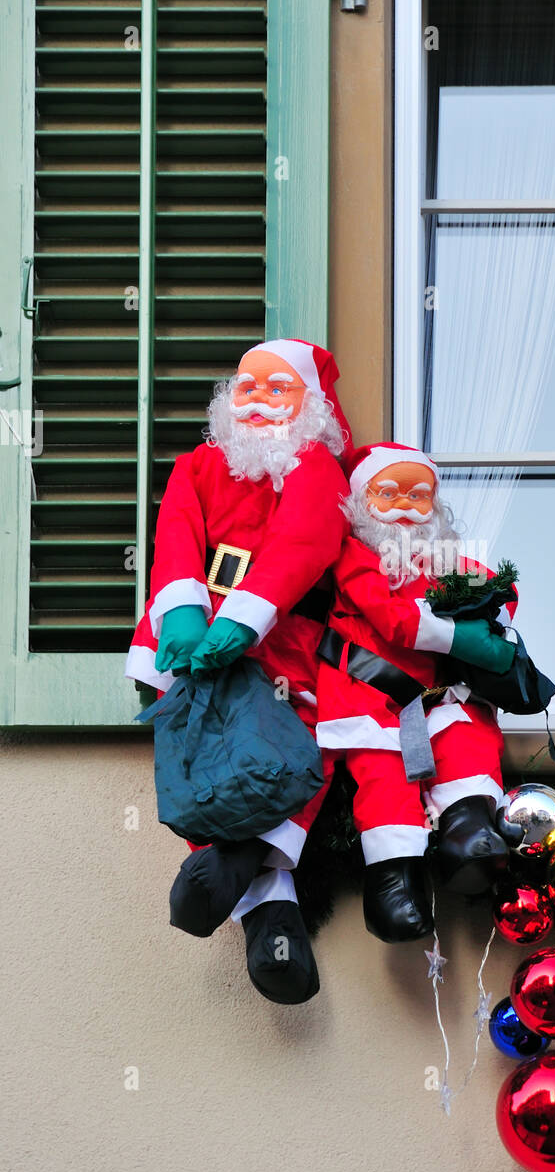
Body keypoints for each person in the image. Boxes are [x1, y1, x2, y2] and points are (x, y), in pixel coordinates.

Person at [125, 338, 352, 1004]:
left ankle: (234, 864)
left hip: (279, 635)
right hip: (190, 634)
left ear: (310, 404)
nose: (256, 401)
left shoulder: (315, 468)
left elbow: (303, 542)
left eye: (275, 389)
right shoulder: (200, 464)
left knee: (294, 749)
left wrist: (244, 618)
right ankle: (260, 901)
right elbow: (175, 535)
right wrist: (186, 613)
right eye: (246, 388)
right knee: (198, 741)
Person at [316, 443, 517, 943]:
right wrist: (462, 635)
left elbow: (500, 589)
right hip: (371, 696)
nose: (406, 505)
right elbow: (394, 619)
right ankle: (393, 886)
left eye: (419, 495)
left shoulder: (442, 563)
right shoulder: (356, 557)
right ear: (363, 503)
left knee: (468, 744)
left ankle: (468, 834)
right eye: (389, 494)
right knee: (384, 778)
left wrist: (497, 618)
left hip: (440, 697)